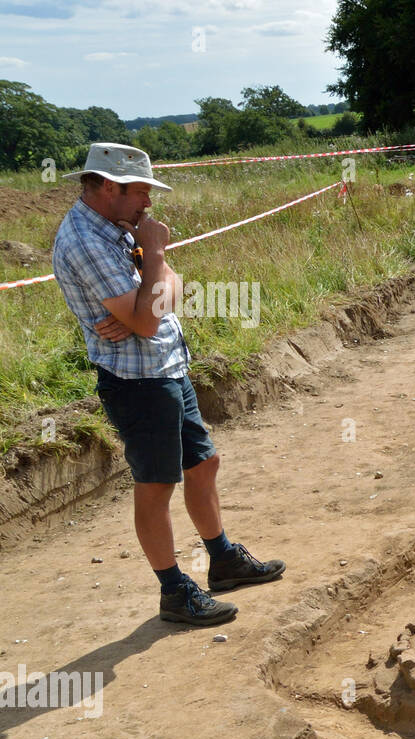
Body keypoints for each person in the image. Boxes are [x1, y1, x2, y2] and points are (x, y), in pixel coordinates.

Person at [51, 143, 285, 628]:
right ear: (110, 187)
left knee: (204, 463)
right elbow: (148, 321)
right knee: (156, 486)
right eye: (142, 191)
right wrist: (152, 264)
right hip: (137, 381)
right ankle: (175, 592)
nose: (149, 203)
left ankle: (222, 561)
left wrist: (149, 295)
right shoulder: (86, 242)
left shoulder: (118, 229)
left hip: (165, 367)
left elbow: (170, 295)